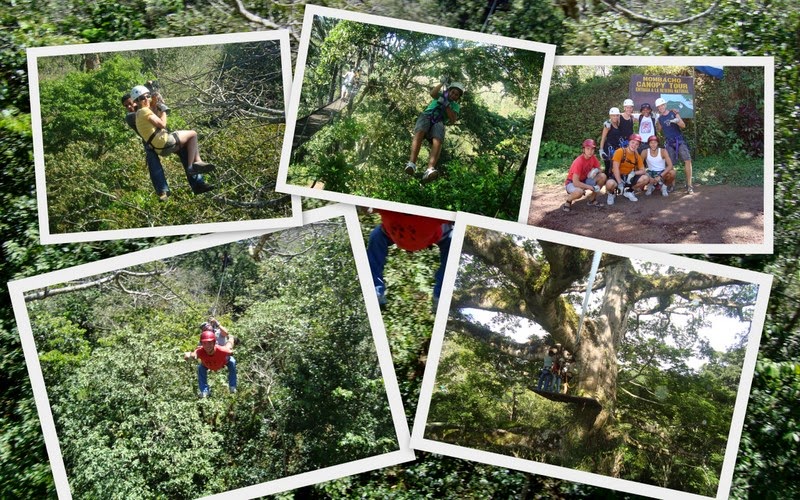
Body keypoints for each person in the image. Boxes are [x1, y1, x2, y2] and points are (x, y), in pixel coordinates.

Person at [122, 93, 214, 199]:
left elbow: (153, 112)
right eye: (126, 106)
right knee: (154, 164)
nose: (129, 107)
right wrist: (159, 105)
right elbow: (157, 119)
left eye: (130, 103)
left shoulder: (145, 107)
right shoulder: (131, 116)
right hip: (150, 143)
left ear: (135, 101)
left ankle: (198, 184)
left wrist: (156, 100)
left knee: (186, 151)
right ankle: (163, 191)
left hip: (161, 137)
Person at [366, 209, 452, 308]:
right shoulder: (435, 215)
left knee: (376, 236)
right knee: (452, 240)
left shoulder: (387, 210)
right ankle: (440, 296)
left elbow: (366, 209)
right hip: (420, 234)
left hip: (400, 233)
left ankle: (375, 289)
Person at [130, 85, 215, 176]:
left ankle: (197, 163)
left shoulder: (138, 115)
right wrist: (163, 109)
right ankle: (191, 166)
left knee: (189, 141)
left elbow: (155, 121)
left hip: (160, 150)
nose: (146, 99)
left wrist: (157, 106)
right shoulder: (144, 111)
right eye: (142, 98)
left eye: (148, 96)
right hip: (165, 142)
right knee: (193, 134)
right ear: (136, 102)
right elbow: (162, 124)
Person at [405, 79, 465, 183]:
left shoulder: (455, 106)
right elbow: (432, 93)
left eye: (456, 95)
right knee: (420, 132)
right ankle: (412, 163)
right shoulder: (441, 95)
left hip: (439, 120)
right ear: (449, 91)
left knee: (438, 140)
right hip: (427, 115)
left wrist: (447, 105)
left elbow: (453, 120)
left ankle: (430, 169)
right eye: (452, 92)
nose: (453, 95)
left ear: (458, 97)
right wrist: (442, 83)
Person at [184, 324, 237, 397]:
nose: (207, 346)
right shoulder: (200, 351)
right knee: (200, 368)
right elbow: (194, 353)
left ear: (214, 343)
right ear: (202, 344)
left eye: (209, 343)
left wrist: (231, 339)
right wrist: (189, 355)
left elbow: (229, 346)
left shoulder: (221, 349)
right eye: (204, 343)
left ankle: (232, 386)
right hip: (208, 364)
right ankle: (204, 391)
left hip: (222, 362)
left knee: (232, 361)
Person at [655, 97, 694, 193]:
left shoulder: (673, 113)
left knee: (687, 160)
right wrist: (656, 119)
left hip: (679, 141)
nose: (661, 107)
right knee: (670, 164)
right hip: (669, 142)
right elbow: (658, 129)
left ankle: (689, 185)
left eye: (662, 105)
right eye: (659, 106)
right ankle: (672, 185)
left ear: (665, 105)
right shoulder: (660, 118)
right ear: (657, 108)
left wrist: (677, 120)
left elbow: (683, 125)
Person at [562, 139, 606, 211]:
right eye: (588, 149)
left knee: (603, 176)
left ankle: (592, 199)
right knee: (579, 192)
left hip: (585, 180)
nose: (590, 151)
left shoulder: (593, 158)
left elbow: (600, 169)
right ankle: (568, 201)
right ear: (583, 149)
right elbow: (576, 182)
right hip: (572, 183)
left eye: (592, 149)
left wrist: (596, 171)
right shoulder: (579, 161)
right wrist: (591, 187)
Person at [606, 134, 650, 205]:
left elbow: (643, 170)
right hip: (618, 175)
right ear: (629, 142)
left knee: (645, 178)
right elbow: (615, 168)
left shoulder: (637, 157)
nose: (634, 145)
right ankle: (612, 194)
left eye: (637, 144)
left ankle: (628, 191)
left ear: (638, 146)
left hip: (629, 177)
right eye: (632, 142)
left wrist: (633, 173)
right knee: (610, 184)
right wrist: (620, 183)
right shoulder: (620, 151)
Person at [599, 107, 625, 176]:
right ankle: (605, 180)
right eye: (613, 116)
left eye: (617, 115)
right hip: (609, 150)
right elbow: (603, 138)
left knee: (615, 167)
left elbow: (625, 114)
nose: (615, 117)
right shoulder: (608, 125)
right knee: (608, 168)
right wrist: (601, 150)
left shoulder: (617, 123)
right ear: (610, 116)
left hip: (616, 149)